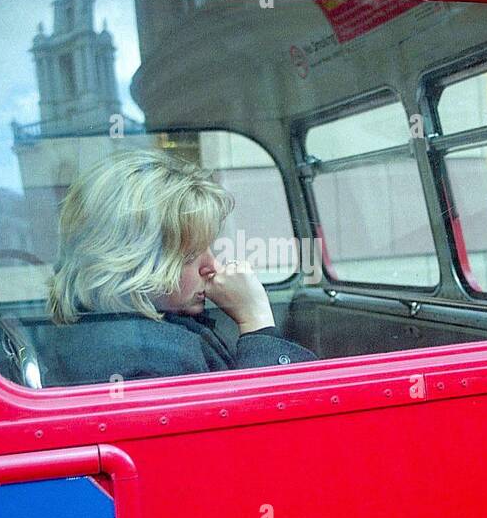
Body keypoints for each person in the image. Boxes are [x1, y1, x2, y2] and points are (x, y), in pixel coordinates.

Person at [44, 148, 315, 386]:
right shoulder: (152, 358)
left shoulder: (109, 331)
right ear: (134, 263)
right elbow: (266, 430)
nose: (212, 266)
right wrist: (256, 322)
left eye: (210, 247)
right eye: (191, 255)